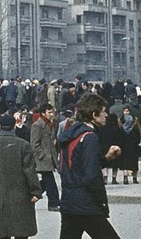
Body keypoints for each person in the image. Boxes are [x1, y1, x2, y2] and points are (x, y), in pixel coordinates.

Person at [58, 93, 122, 238]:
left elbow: (78, 166)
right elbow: (91, 175)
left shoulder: (71, 135)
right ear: (94, 114)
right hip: (86, 204)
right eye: (104, 111)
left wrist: (106, 158)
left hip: (69, 201)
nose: (106, 115)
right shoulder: (90, 137)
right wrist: (102, 203)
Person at [0, 115, 43, 239]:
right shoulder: (23, 145)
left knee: (1, 231)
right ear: (14, 126)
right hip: (21, 193)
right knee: (21, 230)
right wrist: (35, 191)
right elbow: (30, 171)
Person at [30, 103, 61, 211]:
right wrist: (41, 154)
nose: (51, 114)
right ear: (43, 113)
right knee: (50, 181)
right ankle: (53, 202)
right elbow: (34, 143)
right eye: (49, 112)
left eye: (52, 112)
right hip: (43, 158)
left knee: (46, 182)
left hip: (49, 157)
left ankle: (32, 195)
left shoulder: (49, 124)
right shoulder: (37, 125)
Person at [120, 107, 140, 184]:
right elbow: (138, 134)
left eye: (127, 111)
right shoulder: (134, 124)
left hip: (124, 146)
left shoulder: (121, 123)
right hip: (133, 146)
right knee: (134, 162)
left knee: (125, 163)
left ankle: (125, 178)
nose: (126, 112)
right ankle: (135, 178)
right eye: (125, 111)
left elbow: (119, 135)